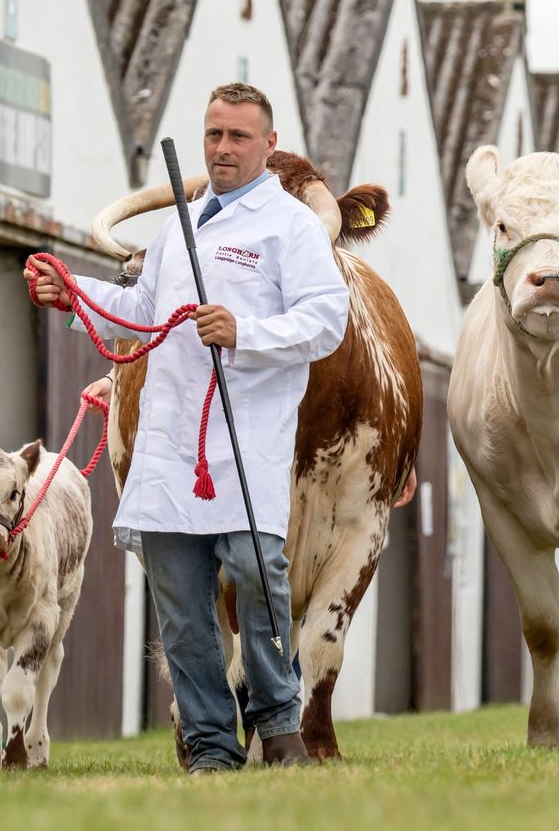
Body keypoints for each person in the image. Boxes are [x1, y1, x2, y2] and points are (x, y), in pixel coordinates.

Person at [26, 83, 348, 773]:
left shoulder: (290, 228)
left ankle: (279, 726)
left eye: (237, 137)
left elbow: (327, 319)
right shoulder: (179, 227)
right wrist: (72, 292)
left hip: (245, 440)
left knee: (259, 579)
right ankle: (208, 745)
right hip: (171, 446)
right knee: (180, 607)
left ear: (268, 144)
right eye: (213, 135)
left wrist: (246, 332)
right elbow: (137, 310)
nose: (223, 149)